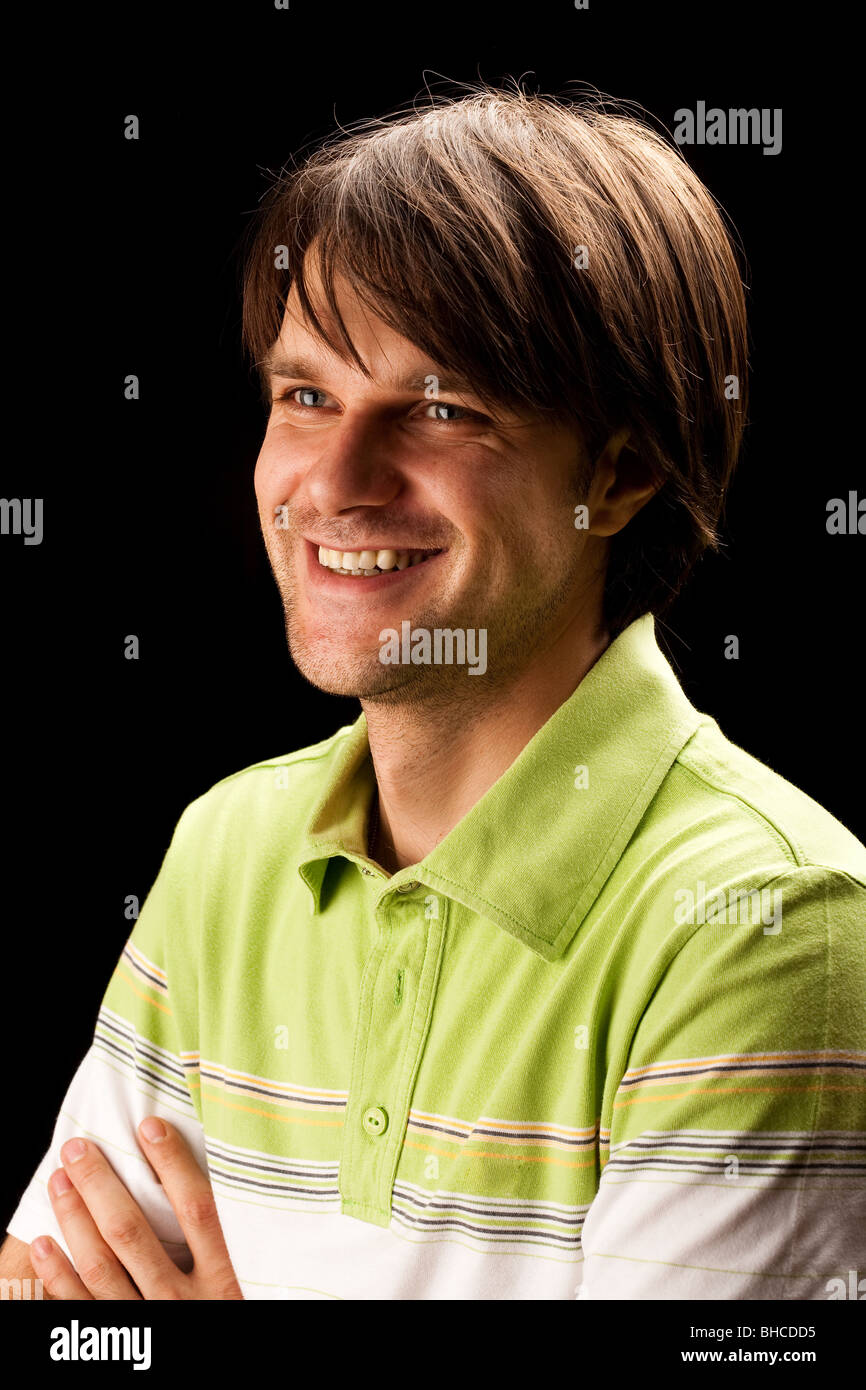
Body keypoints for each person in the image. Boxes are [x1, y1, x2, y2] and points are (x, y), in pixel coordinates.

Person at [2, 85, 864, 1301]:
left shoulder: (769, 921)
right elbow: (51, 1300)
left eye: (442, 409)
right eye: (305, 395)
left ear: (616, 475)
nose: (334, 482)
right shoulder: (228, 845)